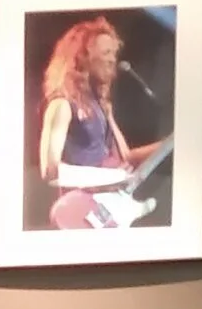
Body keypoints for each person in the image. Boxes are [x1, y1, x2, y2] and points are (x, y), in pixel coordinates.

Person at [37, 16, 169, 228]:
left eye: (114, 54)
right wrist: (112, 177)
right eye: (106, 52)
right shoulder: (61, 104)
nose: (112, 60)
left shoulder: (101, 105)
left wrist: (169, 144)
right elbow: (50, 171)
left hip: (108, 203)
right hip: (82, 205)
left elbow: (126, 157)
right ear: (82, 58)